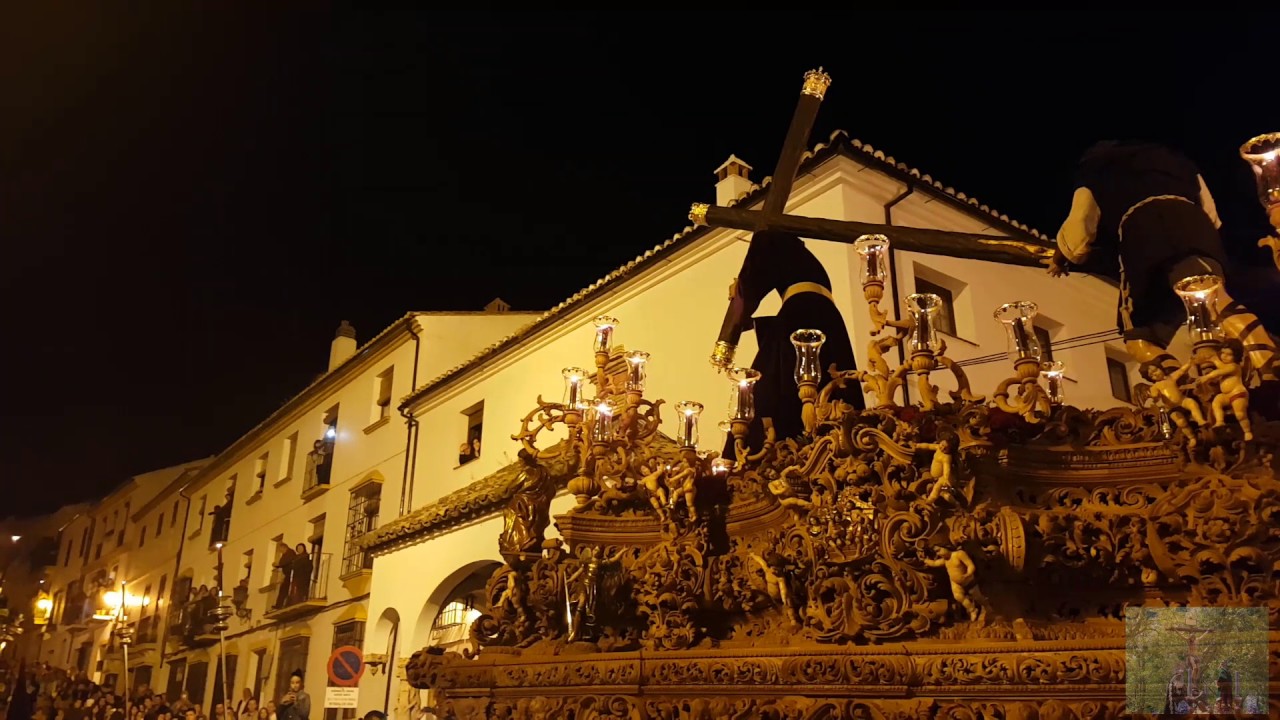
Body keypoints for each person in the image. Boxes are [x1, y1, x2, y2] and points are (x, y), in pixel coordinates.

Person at [1047, 140, 1276, 379]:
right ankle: (1266, 358)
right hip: (1197, 230)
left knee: (1139, 337)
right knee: (1212, 297)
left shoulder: (1096, 170)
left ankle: (1180, 386)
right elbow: (1211, 214)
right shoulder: (1180, 163)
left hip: (1144, 233)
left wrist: (1061, 257)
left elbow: (1080, 228)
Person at [712, 230, 863, 456]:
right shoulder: (802, 259)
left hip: (799, 315)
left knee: (766, 387)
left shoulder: (768, 237)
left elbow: (749, 285)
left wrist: (727, 338)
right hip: (829, 321)